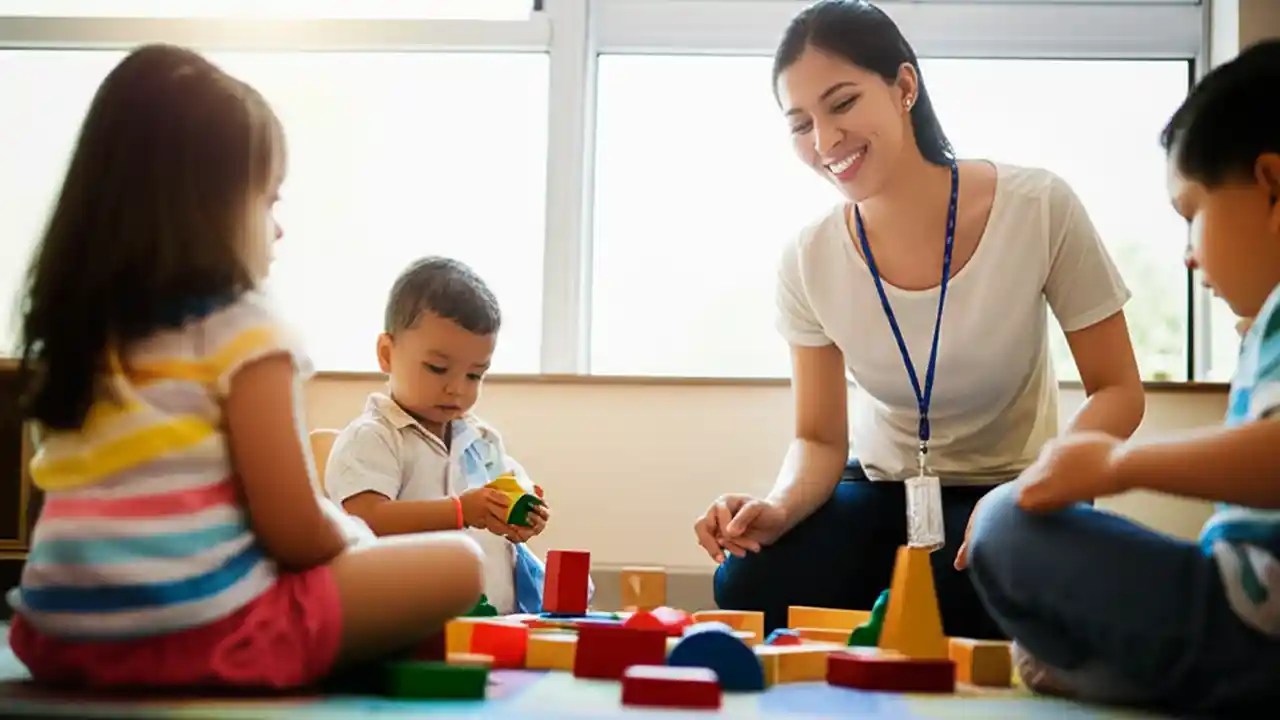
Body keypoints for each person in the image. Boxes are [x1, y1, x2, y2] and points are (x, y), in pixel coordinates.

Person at [5, 45, 484, 690]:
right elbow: (296, 531)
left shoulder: (80, 331)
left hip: (62, 637)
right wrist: (354, 535)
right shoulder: (247, 331)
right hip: (211, 632)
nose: (277, 230)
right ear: (205, 209)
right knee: (460, 563)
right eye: (269, 201)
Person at [693, 0, 1145, 636]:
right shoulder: (809, 256)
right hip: (881, 490)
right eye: (801, 124)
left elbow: (1118, 391)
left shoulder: (1038, 206)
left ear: (904, 86)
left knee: (999, 578)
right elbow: (819, 440)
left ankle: (912, 614)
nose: (824, 141)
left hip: (1013, 487)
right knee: (747, 581)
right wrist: (777, 506)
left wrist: (1033, 486)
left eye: (842, 103)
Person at [966, 40, 1280, 713]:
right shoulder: (1264, 325)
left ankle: (1151, 676)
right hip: (1245, 608)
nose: (1189, 255)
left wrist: (1117, 465)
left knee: (1003, 524)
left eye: (1192, 216)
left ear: (1273, 188)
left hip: (1248, 628)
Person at [324, 257, 554, 615]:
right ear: (386, 354)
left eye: (475, 375)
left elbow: (506, 501)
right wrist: (461, 511)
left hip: (496, 622)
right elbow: (365, 520)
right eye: (438, 368)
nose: (456, 388)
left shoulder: (483, 441)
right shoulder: (374, 437)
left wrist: (520, 517)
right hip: (409, 625)